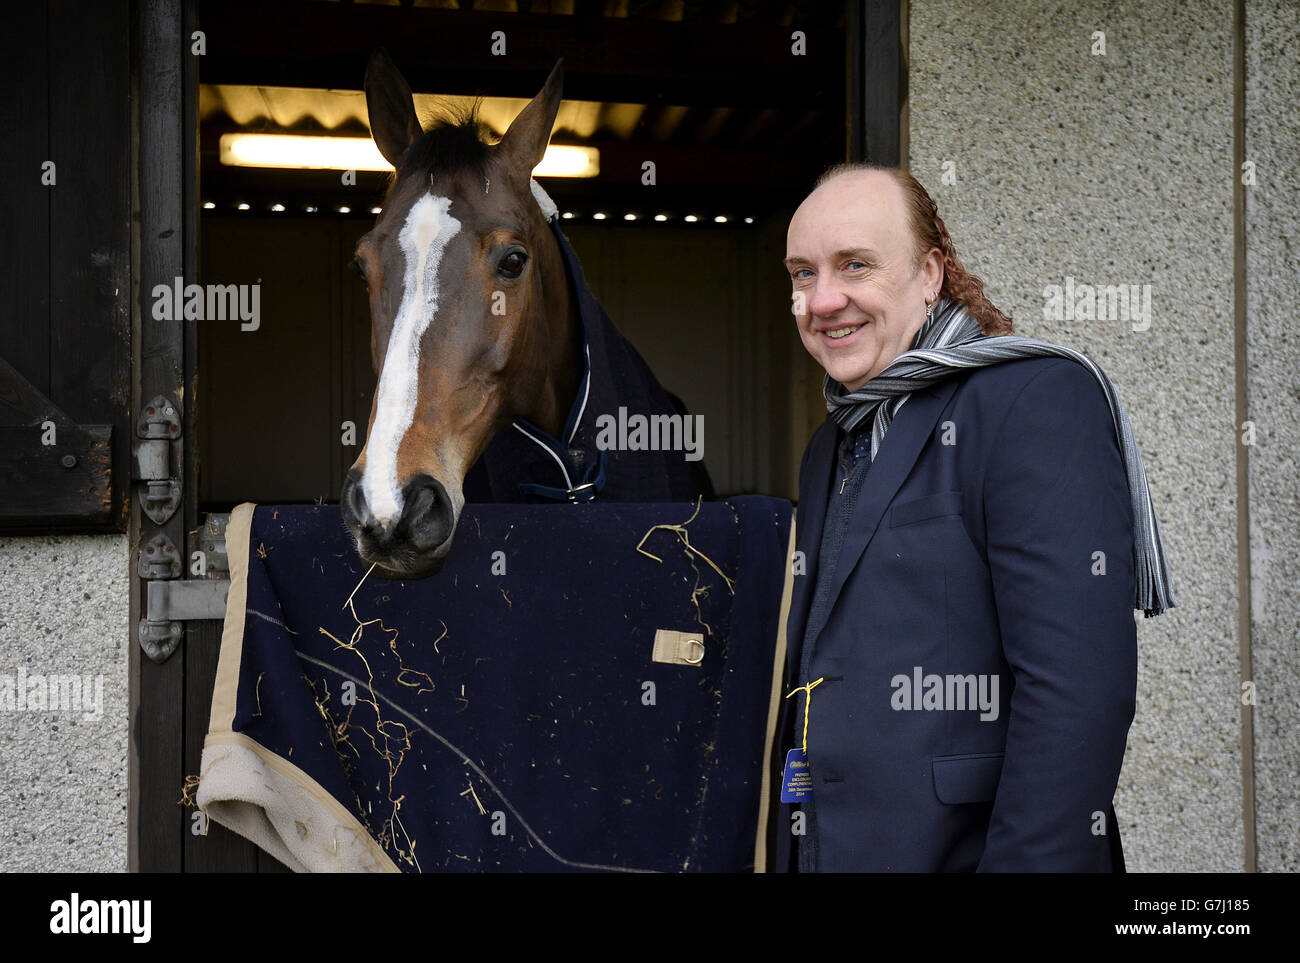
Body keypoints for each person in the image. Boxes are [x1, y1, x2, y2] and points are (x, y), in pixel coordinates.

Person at [768, 164, 1176, 872]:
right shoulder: (831, 441)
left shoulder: (1035, 398)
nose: (822, 299)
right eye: (802, 274)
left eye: (854, 265)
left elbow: (1076, 698)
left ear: (930, 274)